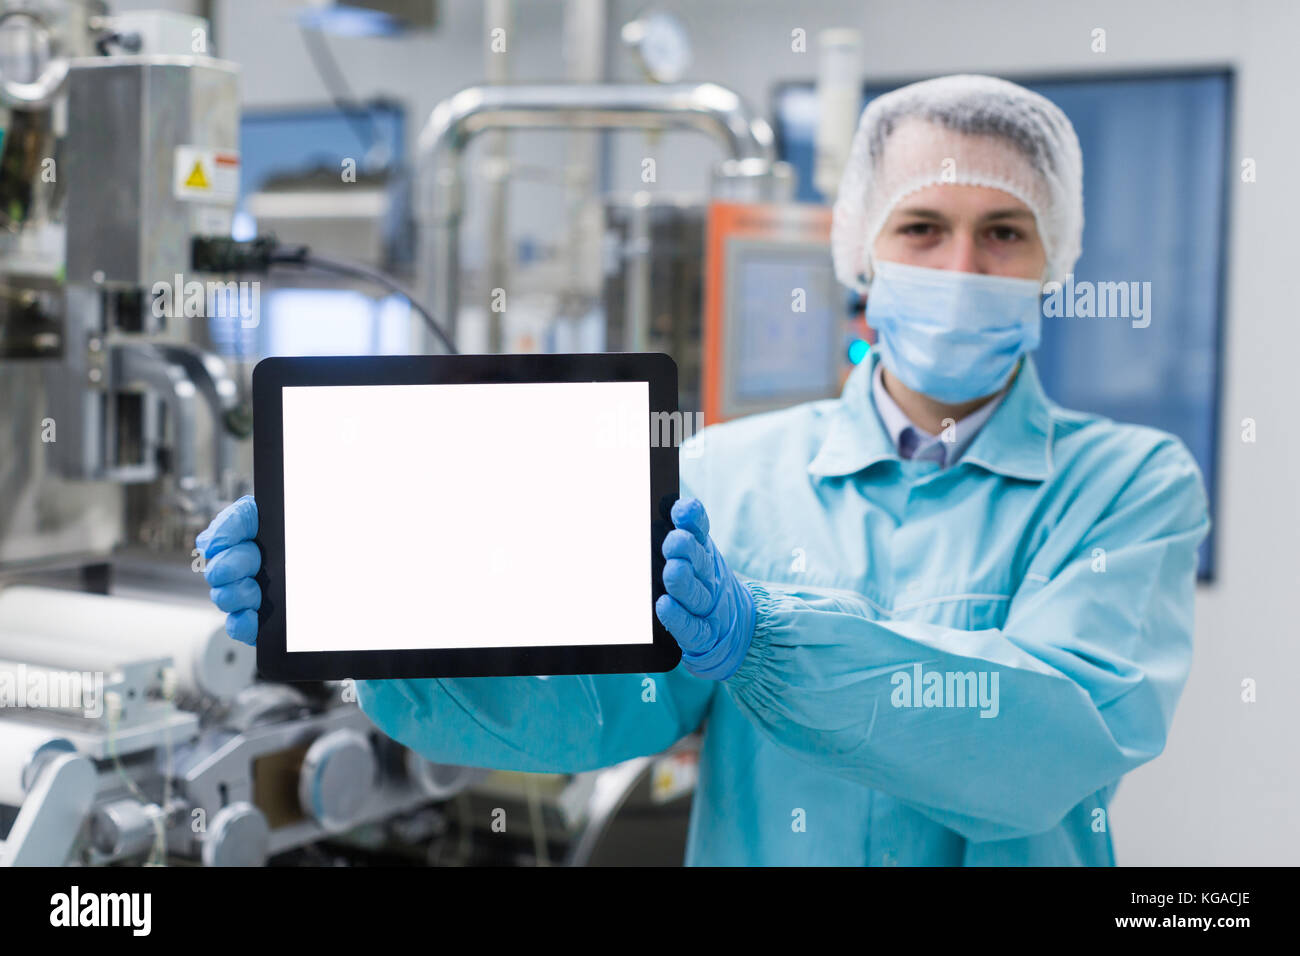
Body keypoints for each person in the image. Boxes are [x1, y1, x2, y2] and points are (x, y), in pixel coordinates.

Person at [197, 74, 1209, 866]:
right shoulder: (729, 468)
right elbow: (596, 705)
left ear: (1055, 257)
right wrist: (372, 624)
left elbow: (1050, 743)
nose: (958, 268)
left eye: (1001, 232)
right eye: (921, 227)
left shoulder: (1128, 486)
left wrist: (768, 641)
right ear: (861, 251)